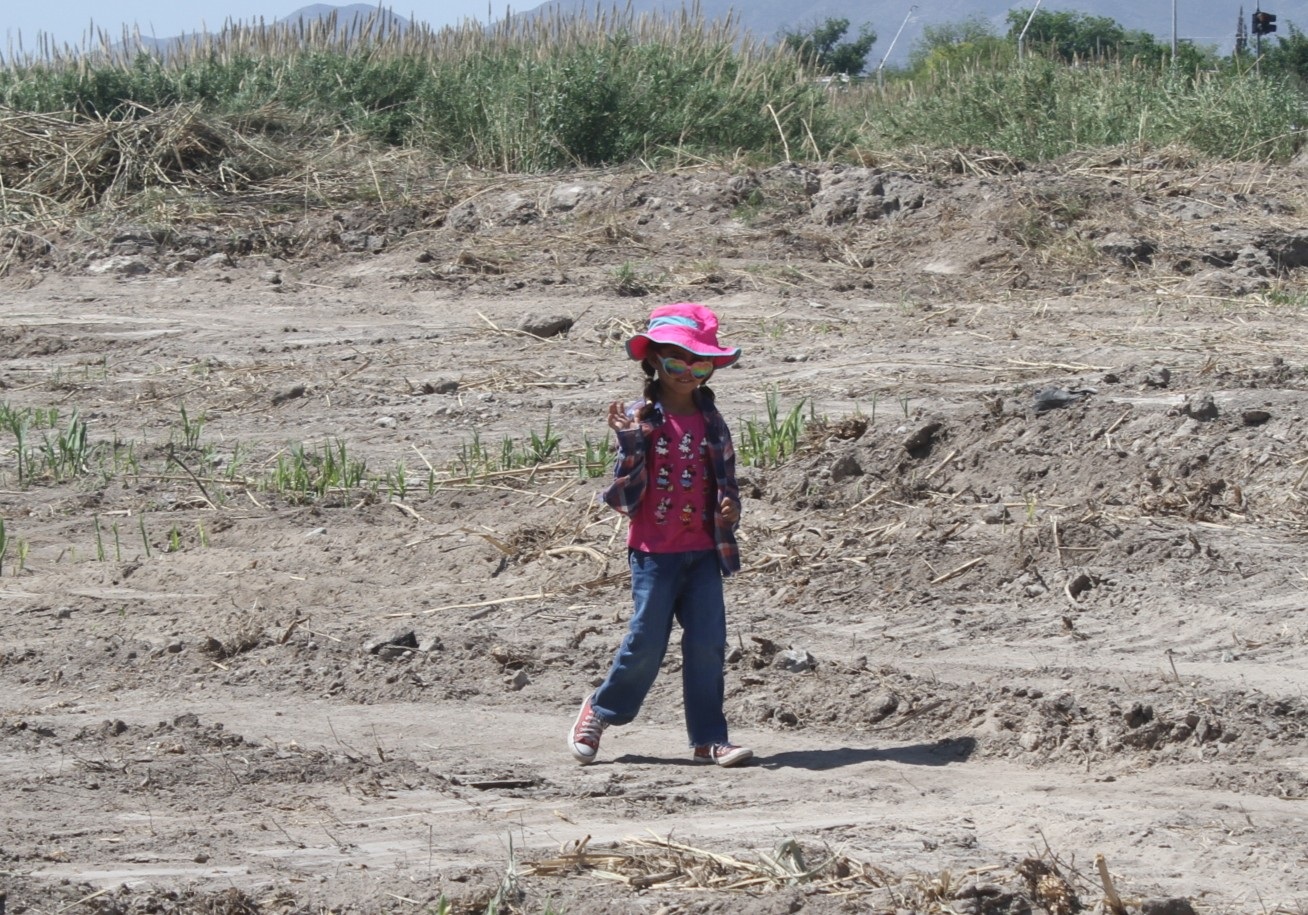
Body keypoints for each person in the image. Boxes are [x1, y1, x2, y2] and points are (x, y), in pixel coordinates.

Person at [568, 302, 753, 768]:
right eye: (676, 362)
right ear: (653, 361)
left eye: (700, 364)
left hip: (704, 552)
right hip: (654, 553)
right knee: (647, 639)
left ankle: (709, 738)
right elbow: (624, 499)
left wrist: (731, 509)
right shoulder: (639, 417)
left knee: (708, 643)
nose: (687, 373)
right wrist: (630, 443)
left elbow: (726, 484)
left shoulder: (714, 422)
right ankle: (602, 709)